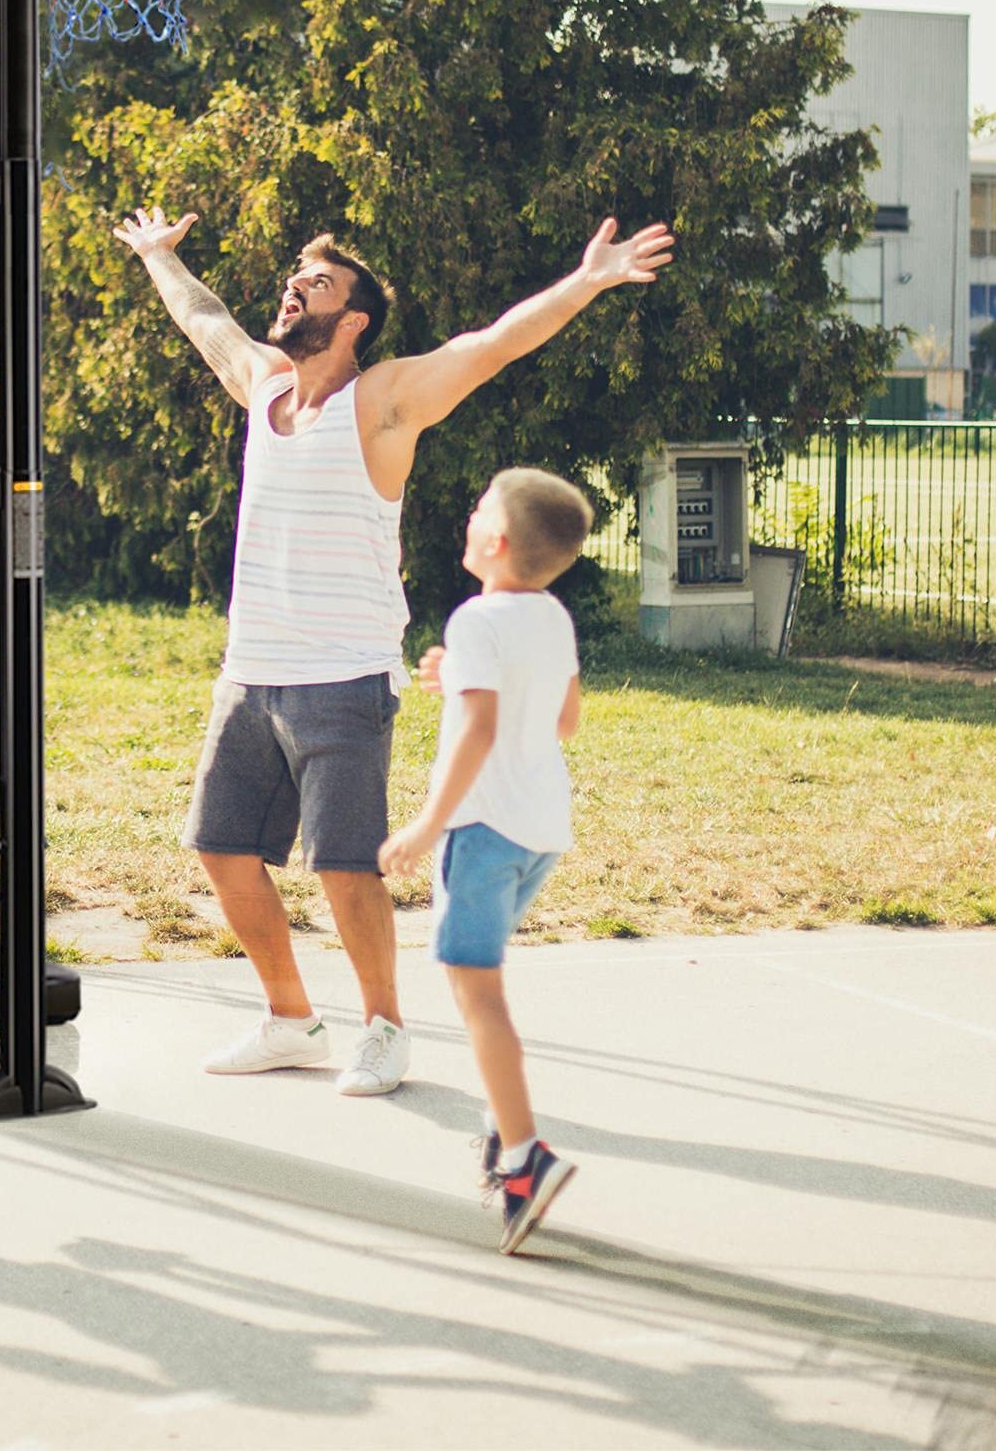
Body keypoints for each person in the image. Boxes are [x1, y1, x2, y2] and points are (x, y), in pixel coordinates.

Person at [114, 208, 671, 1094]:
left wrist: (590, 278)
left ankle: (384, 1028)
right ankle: (292, 1019)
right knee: (221, 849)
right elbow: (204, 321)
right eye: (295, 278)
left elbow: (492, 344)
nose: (294, 287)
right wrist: (158, 259)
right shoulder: (264, 386)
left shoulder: (384, 402)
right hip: (249, 670)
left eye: (317, 283)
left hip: (343, 677)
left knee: (343, 866)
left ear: (355, 320)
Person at [379, 468, 593, 1254]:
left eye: (478, 511)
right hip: (541, 831)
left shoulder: (476, 619)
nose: (468, 517)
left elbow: (479, 732)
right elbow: (563, 719)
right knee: (480, 991)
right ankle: (504, 1131)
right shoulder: (550, 615)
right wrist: (457, 681)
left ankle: (522, 1157)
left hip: (482, 830)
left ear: (495, 542)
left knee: (480, 999)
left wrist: (426, 826)